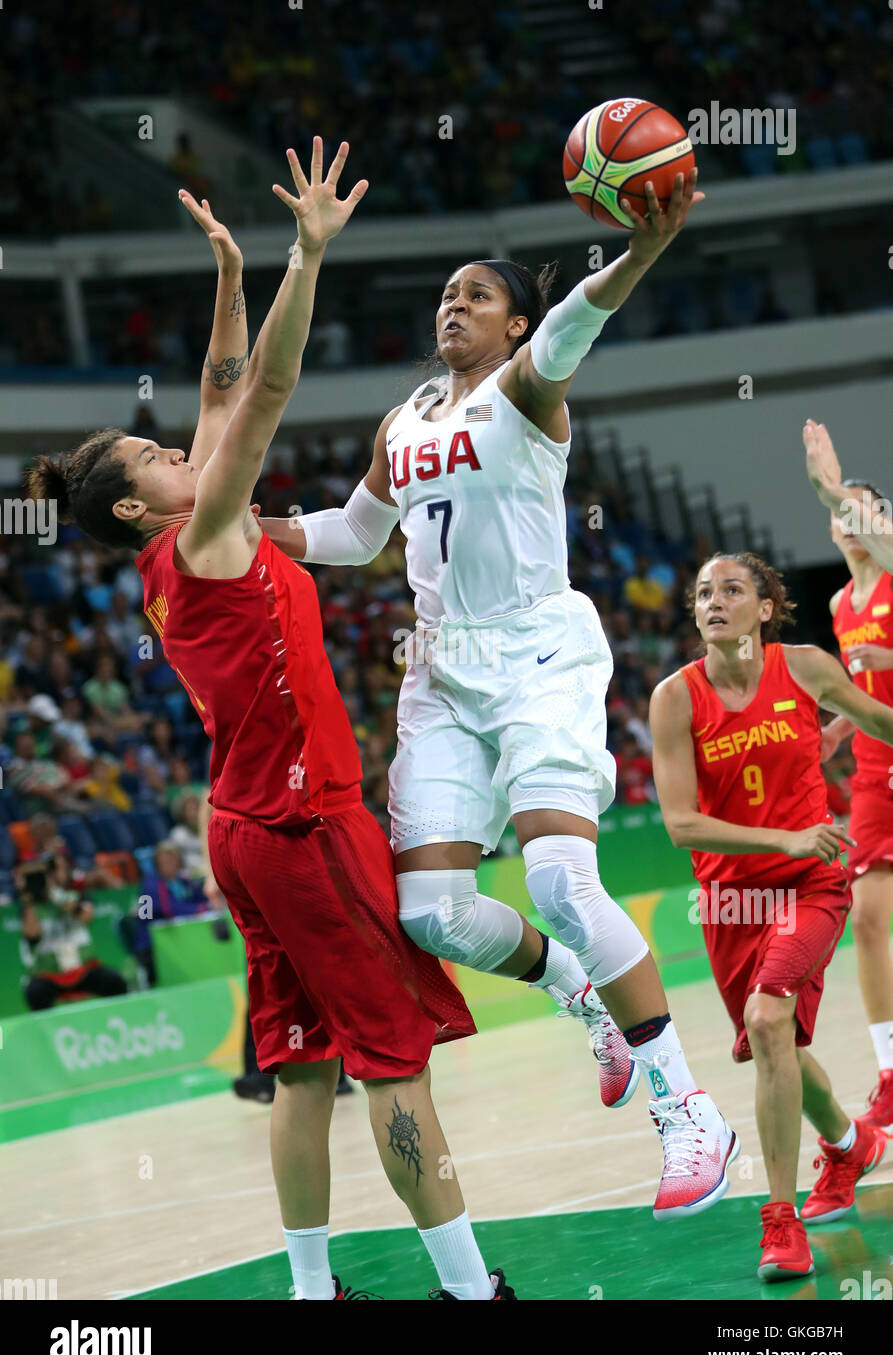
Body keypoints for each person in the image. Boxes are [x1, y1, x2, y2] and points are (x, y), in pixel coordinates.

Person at [26, 140, 515, 1301]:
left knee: (299, 1069)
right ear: (138, 505)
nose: (181, 449)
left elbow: (217, 389)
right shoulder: (205, 534)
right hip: (305, 828)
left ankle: (308, 1289)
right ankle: (466, 1290)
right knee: (393, 1063)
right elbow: (266, 391)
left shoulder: (177, 542)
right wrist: (306, 255)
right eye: (157, 456)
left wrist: (233, 275)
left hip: (241, 832)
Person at [259, 170, 739, 1218]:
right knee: (428, 912)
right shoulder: (403, 419)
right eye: (446, 294)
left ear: (514, 323)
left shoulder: (526, 388)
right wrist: (256, 529)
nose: (453, 305)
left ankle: (687, 1108)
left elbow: (574, 325)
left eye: (476, 295)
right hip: (440, 668)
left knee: (559, 880)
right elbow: (355, 533)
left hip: (536, 652)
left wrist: (641, 250)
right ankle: (581, 996)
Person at [649, 551, 889, 1281]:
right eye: (702, 593)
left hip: (811, 883)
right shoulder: (675, 698)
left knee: (765, 1017)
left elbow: (879, 720)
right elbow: (680, 826)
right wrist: (781, 837)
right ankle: (850, 1145)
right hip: (730, 902)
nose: (713, 602)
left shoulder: (806, 668)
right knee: (772, 1039)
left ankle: (779, 1223)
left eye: (731, 590)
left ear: (763, 608)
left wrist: (798, 843)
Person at [805, 420, 893, 1134]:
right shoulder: (840, 607)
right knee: (865, 919)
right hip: (873, 770)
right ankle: (890, 1071)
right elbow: (863, 692)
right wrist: (839, 723)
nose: (851, 524)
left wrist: (835, 488)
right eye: (840, 514)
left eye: (863, 513)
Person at [18, 854, 127, 1010]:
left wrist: (56, 896)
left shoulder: (77, 894)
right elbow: (32, 934)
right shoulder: (31, 906)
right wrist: (29, 899)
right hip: (50, 973)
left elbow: (86, 917)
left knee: (114, 981)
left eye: (59, 869)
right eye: (50, 871)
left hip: (83, 969)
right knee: (35, 992)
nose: (56, 875)